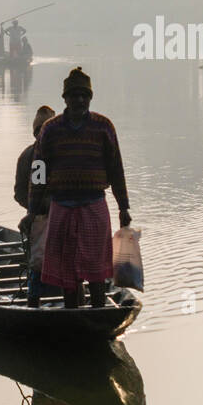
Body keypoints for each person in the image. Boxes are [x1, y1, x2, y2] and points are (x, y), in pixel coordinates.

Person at [23, 67, 131, 309]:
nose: (79, 100)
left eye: (84, 95)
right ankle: (72, 313)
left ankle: (98, 311)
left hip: (94, 206)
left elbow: (116, 169)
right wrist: (32, 211)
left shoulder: (104, 127)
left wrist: (123, 207)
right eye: (74, 95)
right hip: (62, 207)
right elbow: (38, 173)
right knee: (67, 273)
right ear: (65, 99)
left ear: (90, 98)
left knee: (95, 271)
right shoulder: (50, 130)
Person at [14, 105, 55, 307]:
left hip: (61, 217)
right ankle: (33, 303)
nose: (45, 134)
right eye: (41, 130)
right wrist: (35, 210)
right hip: (38, 220)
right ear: (36, 132)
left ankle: (76, 300)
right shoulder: (29, 156)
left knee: (68, 267)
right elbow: (20, 193)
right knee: (37, 265)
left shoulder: (60, 154)